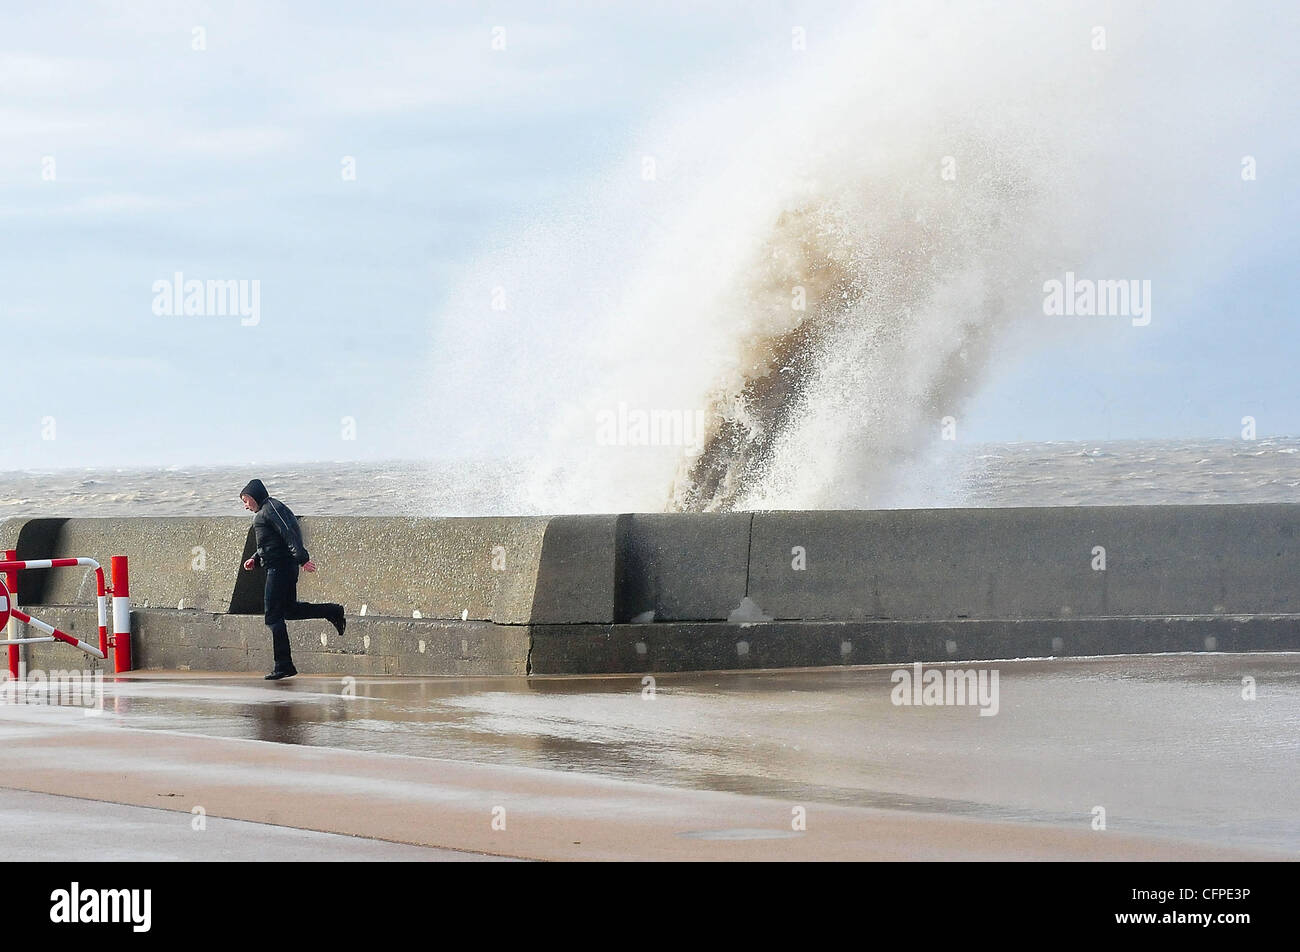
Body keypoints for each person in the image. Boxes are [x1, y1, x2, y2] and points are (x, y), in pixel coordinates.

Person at [239, 478, 346, 680]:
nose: (245, 506)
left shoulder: (272, 508)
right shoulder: (264, 511)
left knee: (273, 617)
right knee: (289, 610)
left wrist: (302, 558)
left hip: (280, 569)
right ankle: (333, 610)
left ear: (254, 496)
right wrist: (255, 558)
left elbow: (289, 531)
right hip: (278, 566)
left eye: (246, 500)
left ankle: (284, 665)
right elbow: (271, 542)